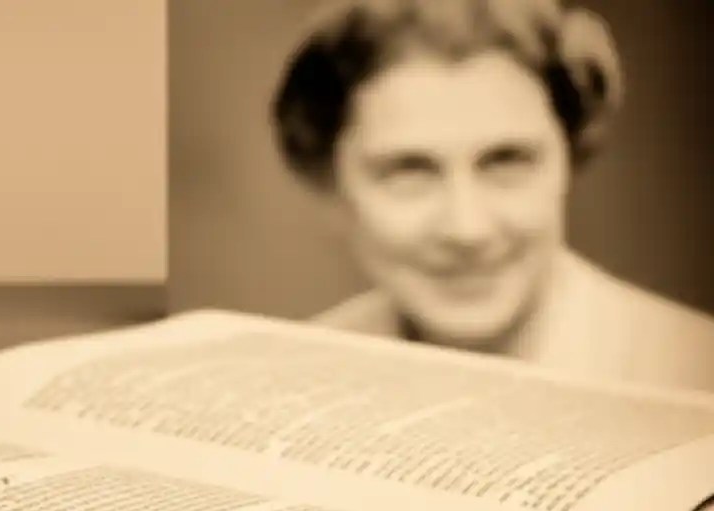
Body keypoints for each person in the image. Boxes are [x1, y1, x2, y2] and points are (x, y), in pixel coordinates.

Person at [271, 0, 714, 394]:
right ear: (331, 182)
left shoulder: (696, 376)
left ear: (569, 157)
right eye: (409, 170)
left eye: (507, 161)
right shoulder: (285, 389)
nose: (467, 228)